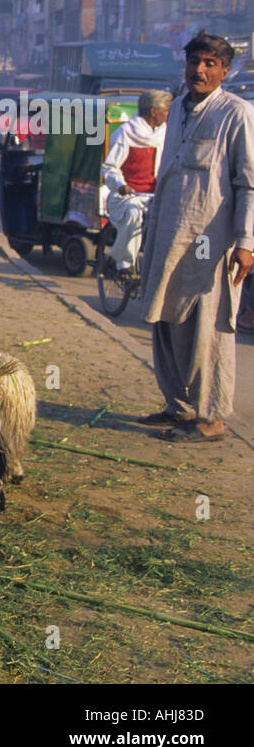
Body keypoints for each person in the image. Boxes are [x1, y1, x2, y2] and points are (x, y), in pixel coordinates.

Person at [139, 32, 254, 444]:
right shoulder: (177, 110)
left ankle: (210, 417)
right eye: (194, 62)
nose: (199, 70)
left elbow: (249, 183)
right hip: (168, 235)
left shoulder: (236, 113)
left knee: (209, 326)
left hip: (211, 242)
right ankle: (179, 405)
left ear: (225, 70)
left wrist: (245, 241)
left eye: (209, 63)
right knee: (166, 321)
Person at [101, 90, 170, 273]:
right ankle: (124, 262)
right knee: (133, 214)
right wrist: (120, 185)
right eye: (165, 111)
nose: (167, 115)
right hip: (128, 195)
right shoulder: (126, 133)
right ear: (154, 111)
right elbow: (109, 167)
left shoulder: (165, 134)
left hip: (154, 196)